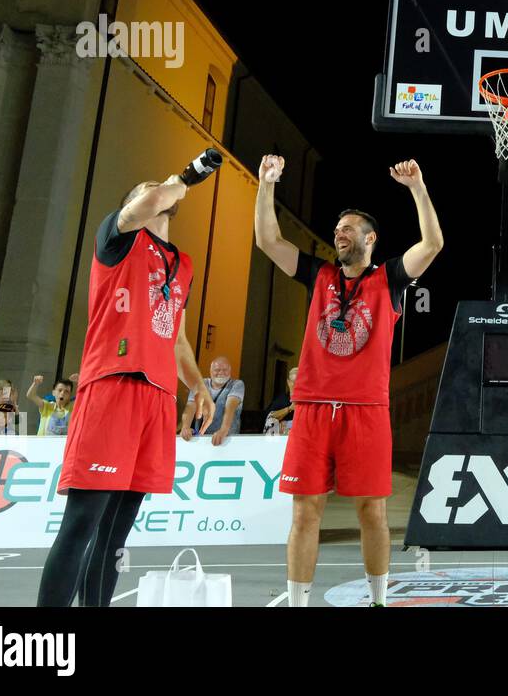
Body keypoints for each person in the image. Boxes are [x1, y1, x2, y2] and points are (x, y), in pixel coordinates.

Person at [254, 155, 442, 608]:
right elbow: (267, 240)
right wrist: (265, 185)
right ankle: (298, 603)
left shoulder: (390, 278)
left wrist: (417, 188)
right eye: (338, 228)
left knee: (371, 512)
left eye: (349, 228)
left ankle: (378, 600)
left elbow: (432, 244)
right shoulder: (318, 274)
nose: (340, 232)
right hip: (314, 407)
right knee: (305, 512)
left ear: (370, 238)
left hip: (365, 410)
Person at [36, 174, 217, 607]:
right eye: (144, 188)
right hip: (114, 385)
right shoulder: (115, 238)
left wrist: (198, 388)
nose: (157, 189)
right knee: (82, 523)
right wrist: (180, 181)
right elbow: (152, 198)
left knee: (116, 533)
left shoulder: (185, 265)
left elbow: (177, 339)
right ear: (133, 204)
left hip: (157, 398)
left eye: (161, 187)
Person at [179, 357, 244, 445]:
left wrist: (223, 430)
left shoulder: (237, 384)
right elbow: (190, 407)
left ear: (230, 371)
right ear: (210, 371)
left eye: (225, 370)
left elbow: (230, 408)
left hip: (227, 440)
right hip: (201, 440)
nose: (221, 373)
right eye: (217, 370)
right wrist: (185, 427)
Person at [265, 367, 298, 436]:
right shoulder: (281, 399)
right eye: (294, 381)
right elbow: (270, 417)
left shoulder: (309, 401)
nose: (296, 384)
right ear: (288, 382)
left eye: (299, 381)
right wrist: (290, 408)